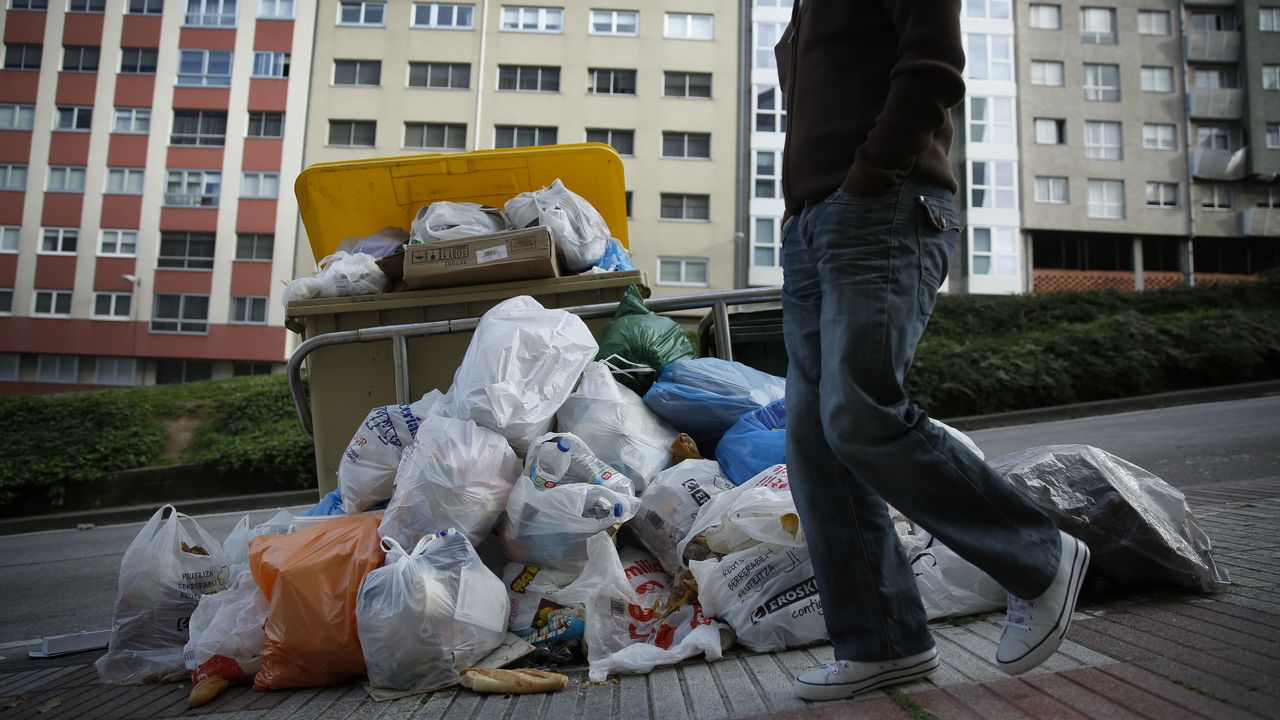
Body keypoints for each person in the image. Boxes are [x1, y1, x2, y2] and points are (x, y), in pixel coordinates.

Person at [774, 0, 1091, 701]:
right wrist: (800, 214)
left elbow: (932, 66)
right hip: (813, 228)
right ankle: (883, 643)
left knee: (860, 412)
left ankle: (1039, 558)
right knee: (814, 445)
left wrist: (871, 174)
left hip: (881, 206)